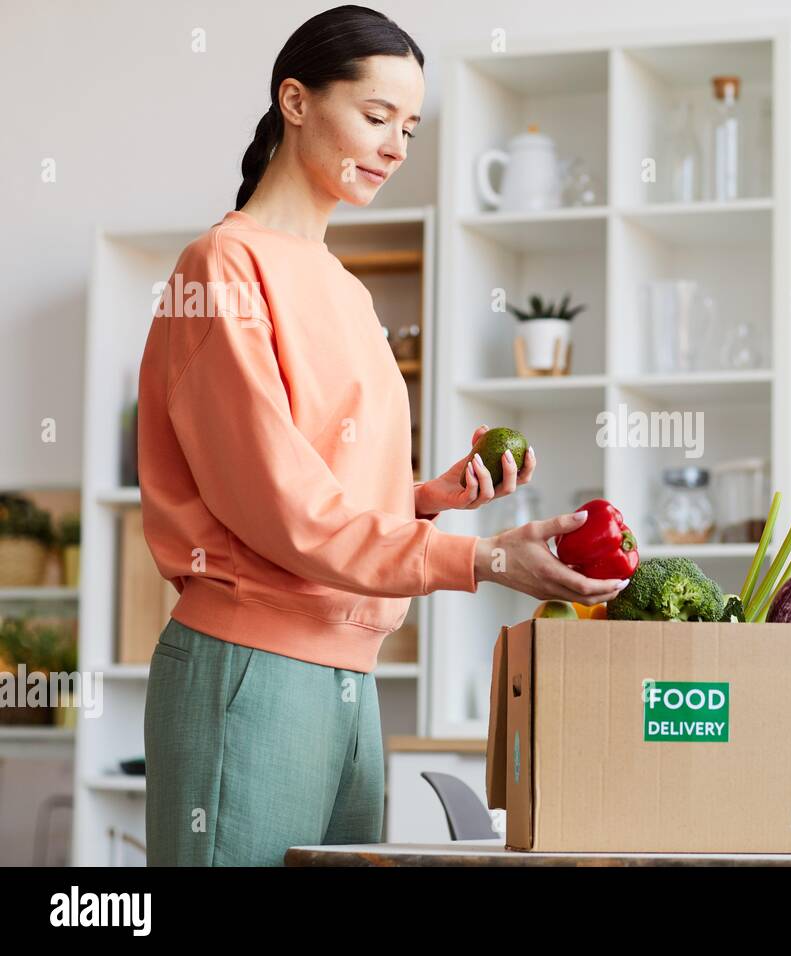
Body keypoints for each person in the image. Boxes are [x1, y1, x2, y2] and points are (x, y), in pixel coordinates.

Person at [136, 4, 629, 866]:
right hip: (250, 668)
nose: (397, 147)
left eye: (408, 126)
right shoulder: (222, 268)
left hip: (353, 685)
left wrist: (422, 500)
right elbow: (277, 506)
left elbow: (317, 483)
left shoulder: (349, 292)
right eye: (374, 117)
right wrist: (483, 558)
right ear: (296, 101)